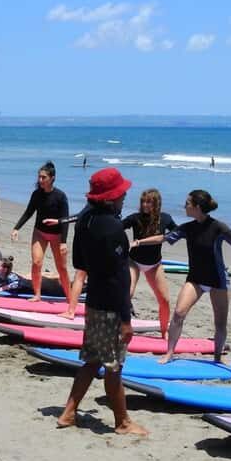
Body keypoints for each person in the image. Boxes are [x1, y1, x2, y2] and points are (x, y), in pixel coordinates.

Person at [56, 168, 149, 436]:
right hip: (111, 306)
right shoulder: (113, 226)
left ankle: (69, 413)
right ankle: (122, 422)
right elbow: (120, 277)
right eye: (121, 193)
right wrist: (126, 319)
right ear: (110, 198)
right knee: (113, 366)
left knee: (92, 360)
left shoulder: (84, 219)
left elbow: (78, 263)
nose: (125, 196)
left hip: (93, 299)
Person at [138, 189, 231, 364]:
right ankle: (169, 353)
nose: (184, 206)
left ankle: (218, 357)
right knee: (179, 314)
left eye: (187, 203)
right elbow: (163, 238)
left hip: (218, 281)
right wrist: (140, 242)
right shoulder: (188, 228)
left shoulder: (218, 227)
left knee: (220, 323)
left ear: (197, 207)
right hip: (195, 279)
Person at [10, 161, 72, 302]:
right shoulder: (37, 194)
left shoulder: (60, 196)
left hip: (57, 235)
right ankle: (37, 295)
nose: (40, 180)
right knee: (37, 262)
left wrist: (63, 242)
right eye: (39, 177)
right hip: (40, 233)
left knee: (61, 267)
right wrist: (16, 228)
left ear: (52, 178)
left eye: (43, 177)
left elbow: (65, 220)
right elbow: (28, 212)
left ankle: (69, 297)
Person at [123, 189, 177, 337]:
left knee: (164, 300)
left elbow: (177, 232)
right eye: (143, 201)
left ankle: (164, 332)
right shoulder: (135, 218)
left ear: (156, 203)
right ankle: (121, 325)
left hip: (154, 264)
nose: (145, 205)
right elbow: (117, 228)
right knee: (128, 293)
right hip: (133, 262)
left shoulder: (165, 219)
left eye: (149, 202)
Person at [0, 255, 78, 298]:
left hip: (46, 286)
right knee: (70, 286)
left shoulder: (11, 276)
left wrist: (3, 288)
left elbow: (17, 283)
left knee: (71, 289)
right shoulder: (6, 275)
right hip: (40, 284)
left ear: (4, 269)